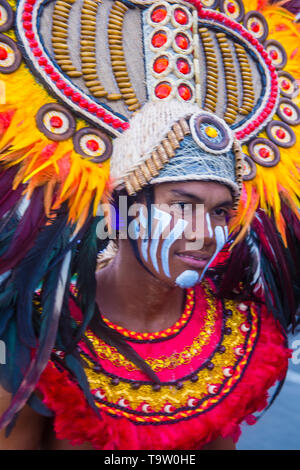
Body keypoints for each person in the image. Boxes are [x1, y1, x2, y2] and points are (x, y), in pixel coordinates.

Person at [0, 0, 300, 451]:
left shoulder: (241, 333)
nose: (204, 232)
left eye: (221, 211)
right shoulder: (35, 333)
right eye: (183, 205)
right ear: (121, 211)